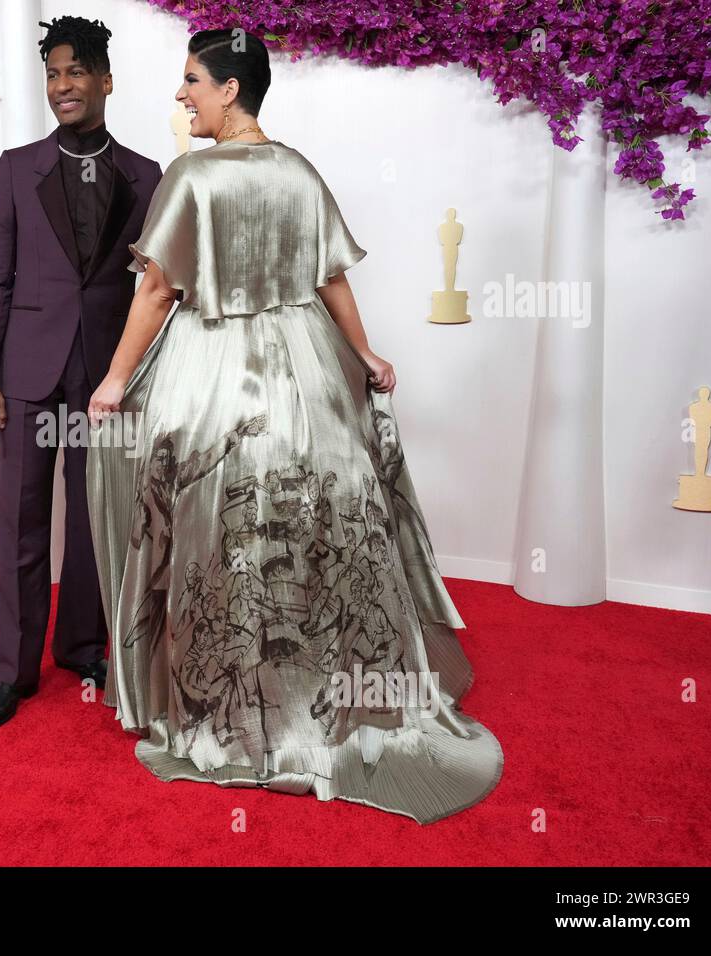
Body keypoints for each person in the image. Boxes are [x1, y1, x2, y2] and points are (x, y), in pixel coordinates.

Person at [85, 28, 504, 823]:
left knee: (219, 534)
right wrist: (364, 352)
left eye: (191, 81)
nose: (181, 96)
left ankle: (235, 714)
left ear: (230, 89)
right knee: (321, 530)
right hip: (306, 379)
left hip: (212, 380)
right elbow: (330, 277)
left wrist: (111, 381)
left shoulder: (190, 176)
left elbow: (154, 293)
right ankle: (339, 704)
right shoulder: (299, 171)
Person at [0, 16, 164, 731]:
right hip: (25, 375)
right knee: (19, 523)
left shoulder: (148, 177)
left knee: (93, 520)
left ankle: (82, 646)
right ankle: (12, 673)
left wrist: (142, 377)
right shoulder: (16, 169)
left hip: (106, 378)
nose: (63, 86)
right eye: (53, 74)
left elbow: (157, 289)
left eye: (75, 72)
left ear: (105, 80)